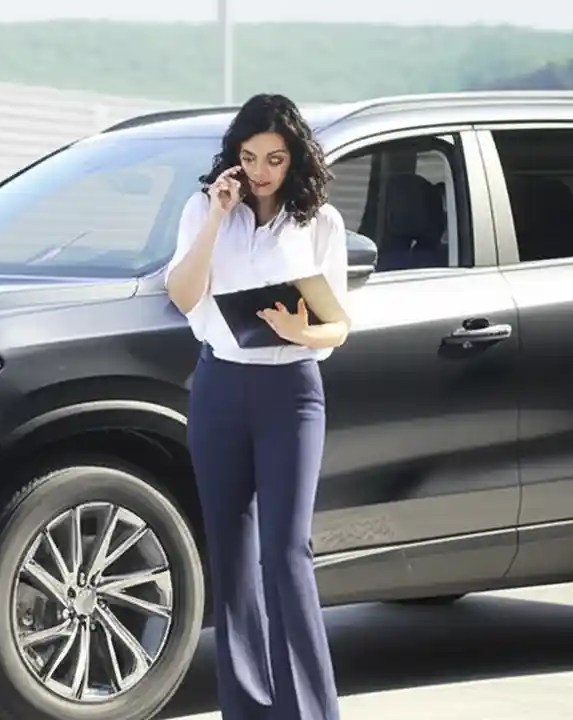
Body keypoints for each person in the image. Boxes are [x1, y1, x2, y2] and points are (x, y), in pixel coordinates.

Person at [165, 93, 350, 720]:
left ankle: (309, 713)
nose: (261, 171)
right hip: (220, 387)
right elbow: (183, 295)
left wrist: (303, 332)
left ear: (294, 157)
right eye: (249, 157)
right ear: (234, 157)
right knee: (230, 551)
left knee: (287, 550)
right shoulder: (204, 209)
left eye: (274, 158)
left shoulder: (320, 222)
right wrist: (217, 216)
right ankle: (246, 709)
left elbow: (338, 326)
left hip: (291, 392)